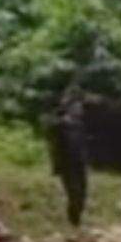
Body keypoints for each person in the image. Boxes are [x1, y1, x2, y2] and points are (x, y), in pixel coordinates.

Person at [47, 88, 89, 228]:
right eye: (77, 108)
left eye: (80, 108)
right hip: (67, 165)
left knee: (83, 193)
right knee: (73, 193)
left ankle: (77, 219)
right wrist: (56, 164)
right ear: (70, 109)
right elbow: (54, 146)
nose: (80, 110)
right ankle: (73, 221)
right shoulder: (60, 125)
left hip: (80, 164)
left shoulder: (80, 125)